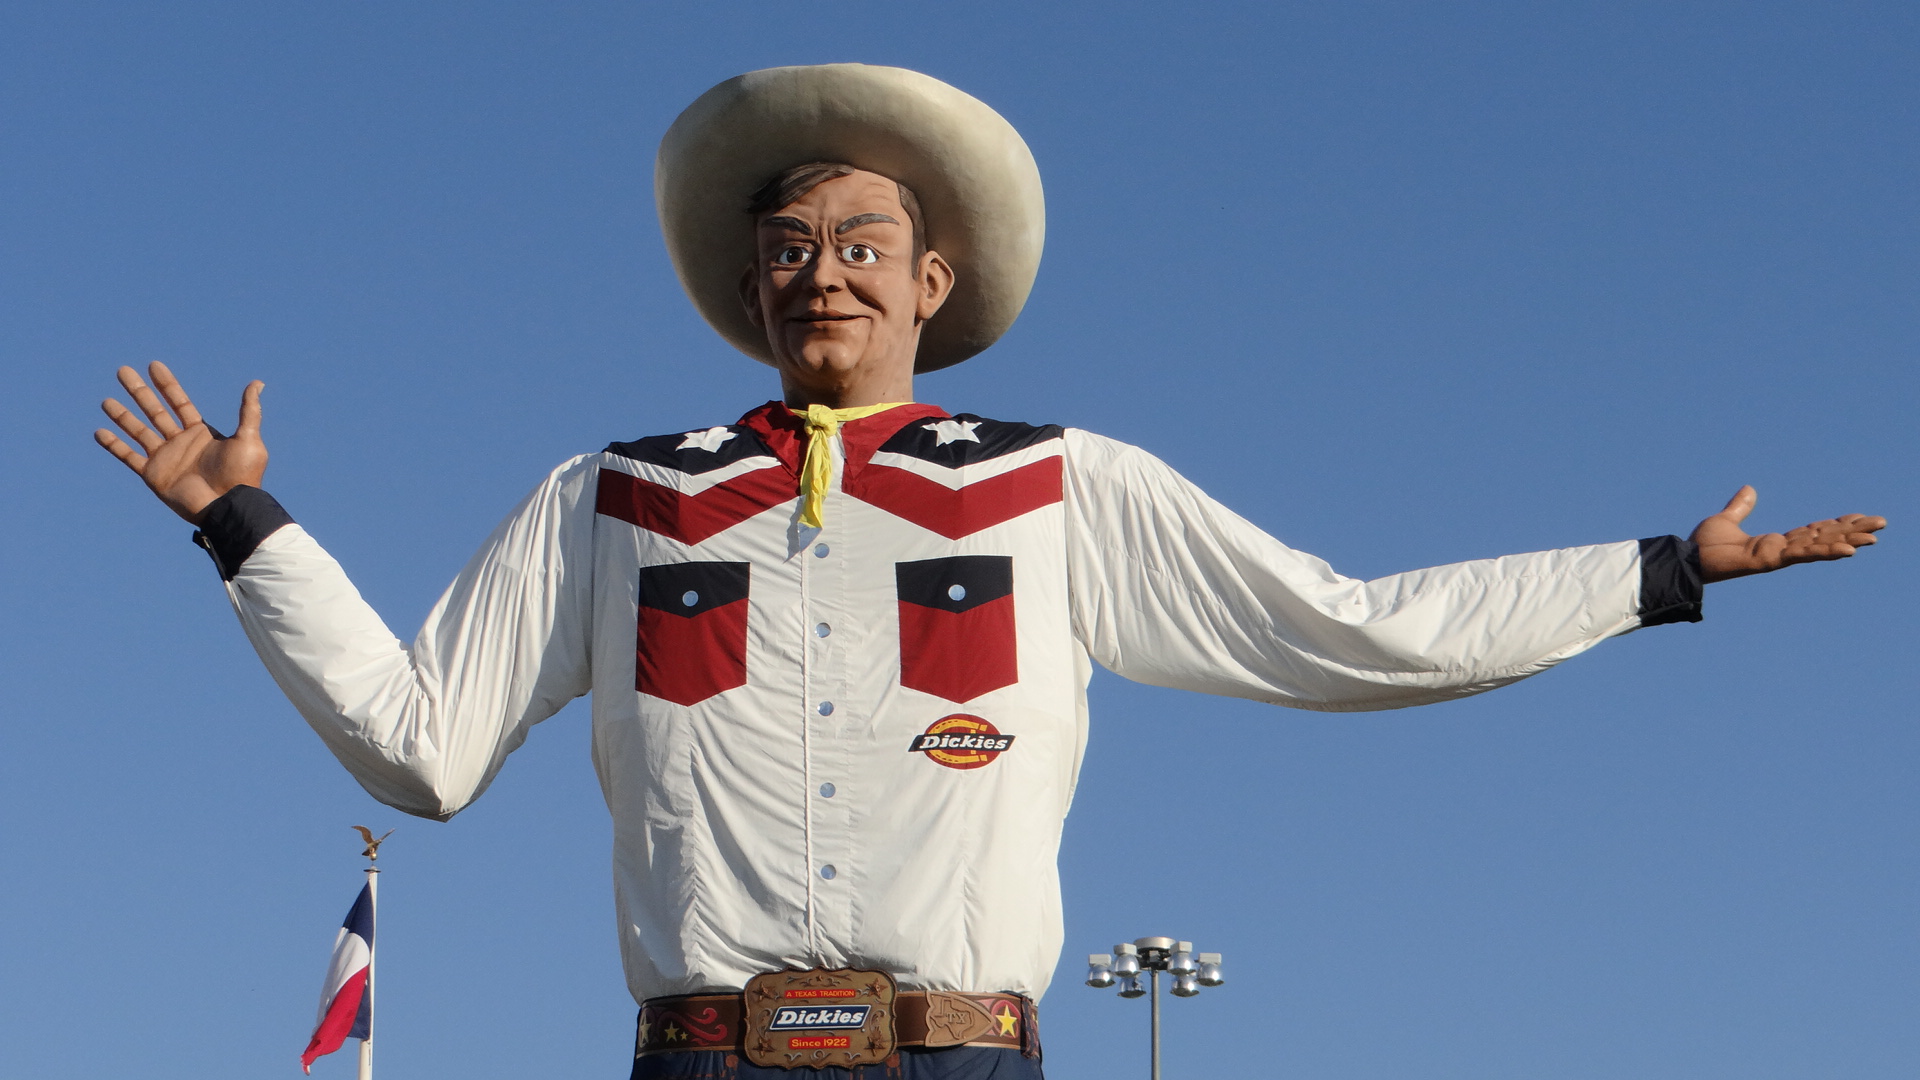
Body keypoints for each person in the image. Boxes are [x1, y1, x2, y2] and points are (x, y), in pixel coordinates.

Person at [92, 65, 1884, 1080]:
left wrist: (1660, 568)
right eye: (787, 246)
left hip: (964, 1057)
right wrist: (244, 525)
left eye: (864, 241)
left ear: (933, 282)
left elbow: (1358, 630)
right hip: (700, 1059)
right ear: (750, 286)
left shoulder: (1054, 486)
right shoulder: (617, 496)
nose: (824, 273)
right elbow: (420, 748)